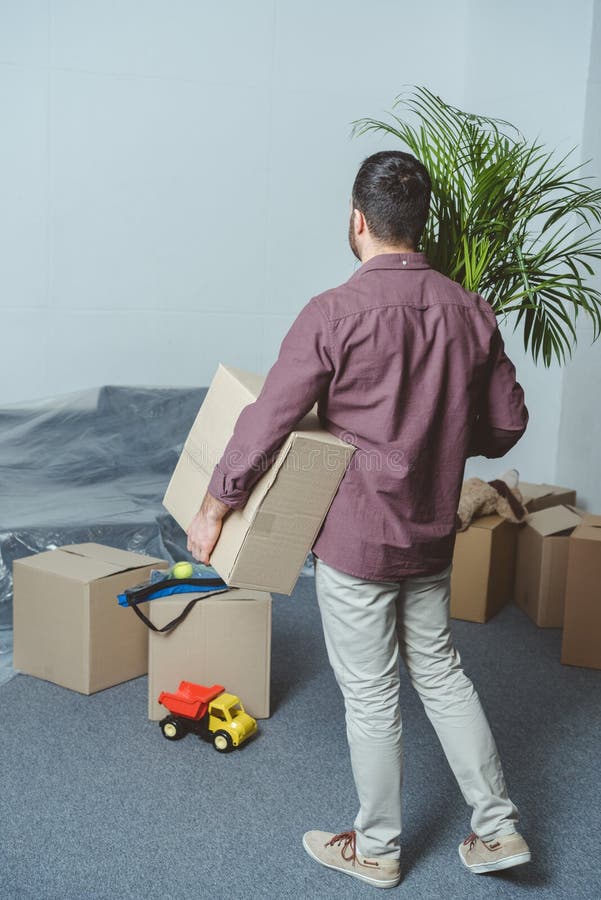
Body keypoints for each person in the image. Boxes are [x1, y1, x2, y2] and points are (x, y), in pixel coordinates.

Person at [186, 150, 531, 889]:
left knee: (373, 695)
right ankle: (497, 830)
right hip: (431, 533)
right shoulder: (470, 310)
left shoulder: (332, 312)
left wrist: (216, 505)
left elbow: (267, 420)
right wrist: (438, 433)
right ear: (420, 225)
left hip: (355, 541)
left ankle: (375, 849)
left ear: (357, 221)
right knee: (440, 672)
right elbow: (505, 426)